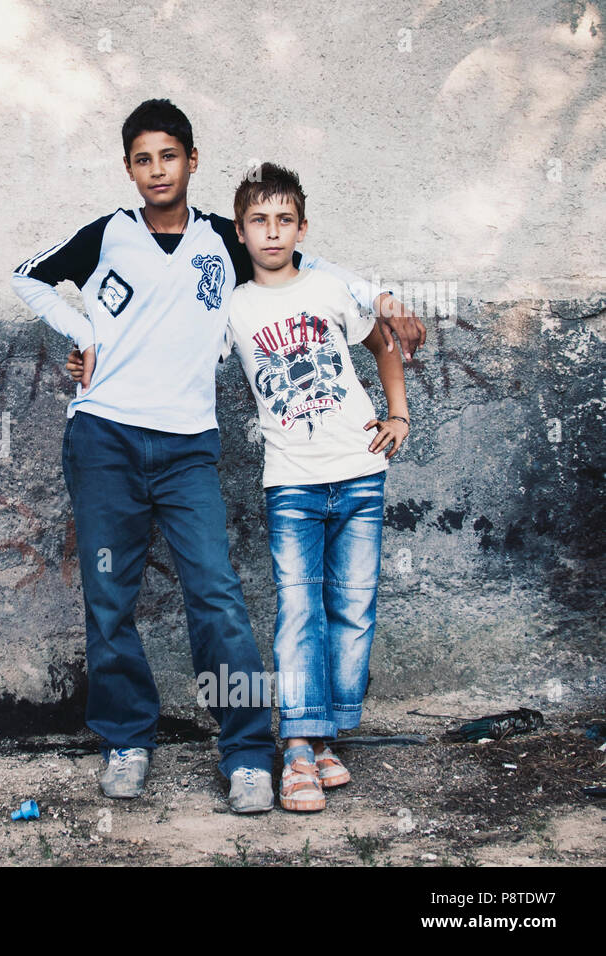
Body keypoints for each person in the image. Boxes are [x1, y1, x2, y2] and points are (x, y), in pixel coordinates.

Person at [15, 98, 424, 813]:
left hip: (186, 447)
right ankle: (127, 740)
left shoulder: (223, 241)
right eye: (143, 159)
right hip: (103, 435)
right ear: (129, 169)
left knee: (219, 598)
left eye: (169, 155)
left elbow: (299, 262)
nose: (157, 169)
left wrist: (381, 297)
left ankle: (243, 751)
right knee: (110, 598)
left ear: (192, 161)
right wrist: (83, 335)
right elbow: (27, 277)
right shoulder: (107, 234)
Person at [221, 162, 408, 810]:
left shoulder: (328, 287)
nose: (271, 232)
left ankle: (324, 735)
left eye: (283, 220)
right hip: (292, 484)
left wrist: (398, 412)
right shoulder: (235, 306)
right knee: (300, 611)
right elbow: (182, 347)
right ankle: (298, 748)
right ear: (240, 231)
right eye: (258, 221)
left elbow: (384, 341)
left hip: (359, 472)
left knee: (353, 609)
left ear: (302, 227)